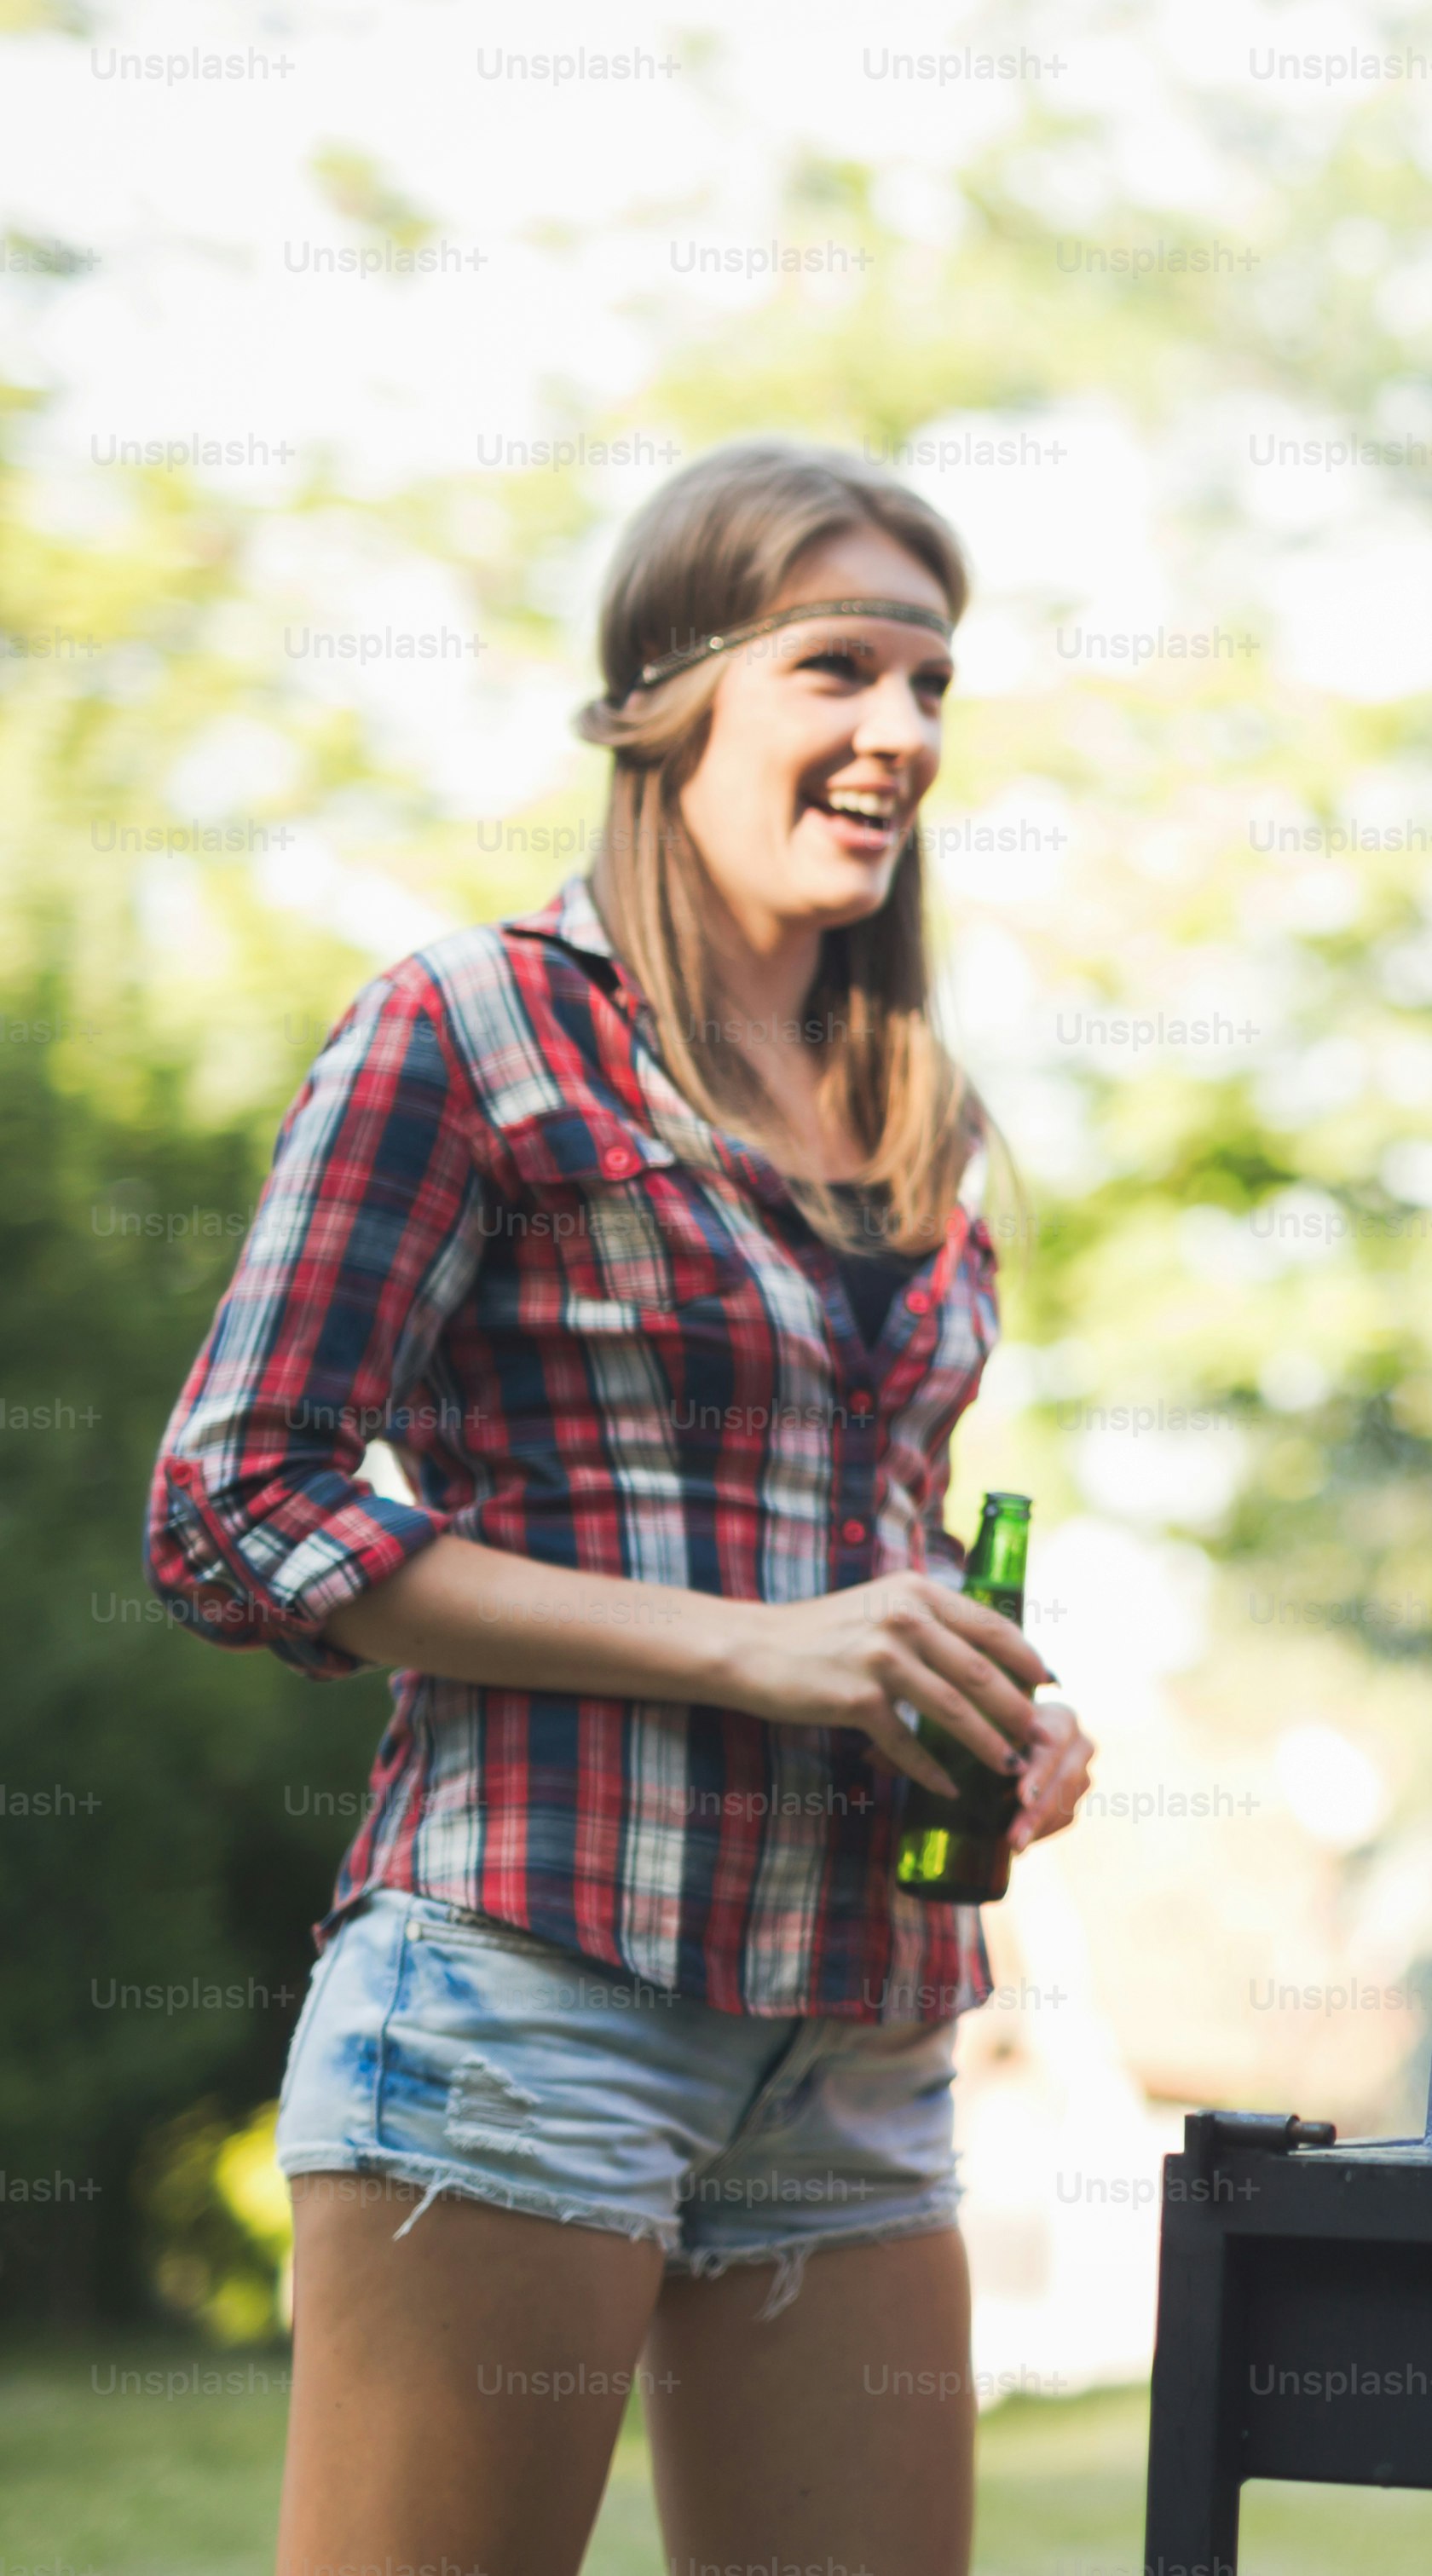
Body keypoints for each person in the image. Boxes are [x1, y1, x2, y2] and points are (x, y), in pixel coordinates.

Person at [146, 442, 1094, 2576]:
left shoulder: (917, 1119)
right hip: (530, 1997)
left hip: (858, 2038)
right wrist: (755, 1647)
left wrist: (981, 1701)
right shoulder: (469, 1030)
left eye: (935, 680)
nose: (903, 729)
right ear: (667, 692)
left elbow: (857, 1557)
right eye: (840, 665)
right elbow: (230, 1498)